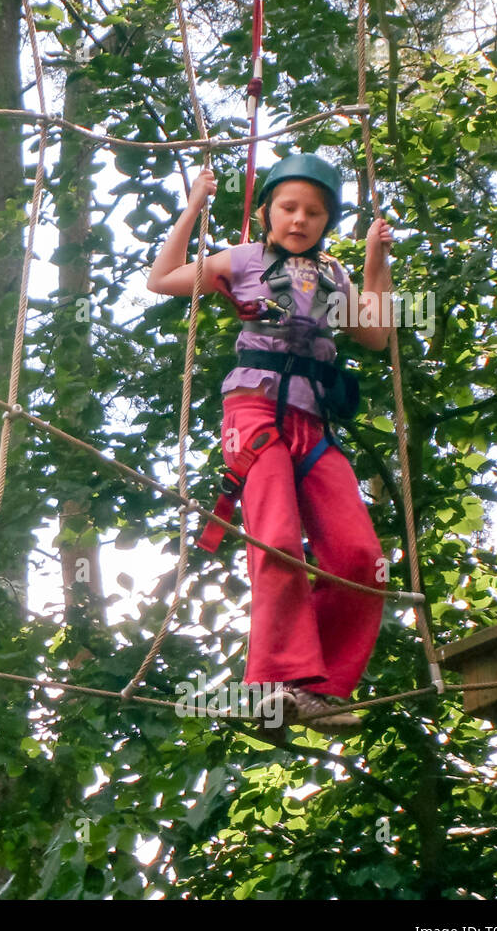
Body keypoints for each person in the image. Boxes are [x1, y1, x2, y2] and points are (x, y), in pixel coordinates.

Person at [145, 153, 395, 735]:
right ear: (266, 213)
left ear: (326, 223)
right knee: (278, 536)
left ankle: (322, 691)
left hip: (313, 422)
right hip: (255, 411)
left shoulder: (334, 275)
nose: (300, 220)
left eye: (314, 212)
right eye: (289, 208)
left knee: (364, 560)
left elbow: (377, 334)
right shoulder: (241, 260)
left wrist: (375, 260)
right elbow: (162, 280)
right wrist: (193, 208)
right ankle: (274, 683)